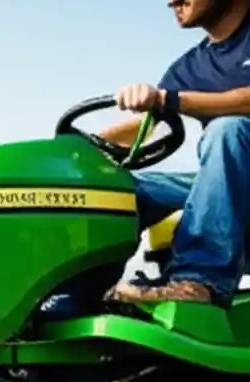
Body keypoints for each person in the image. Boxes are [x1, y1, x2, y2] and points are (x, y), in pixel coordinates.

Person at [100, 0, 250, 307]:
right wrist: (77, 151)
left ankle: (199, 283)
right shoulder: (191, 66)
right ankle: (87, 296)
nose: (170, 1)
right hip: (235, 184)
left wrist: (169, 100)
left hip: (237, 167)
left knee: (227, 130)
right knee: (122, 190)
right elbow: (149, 126)